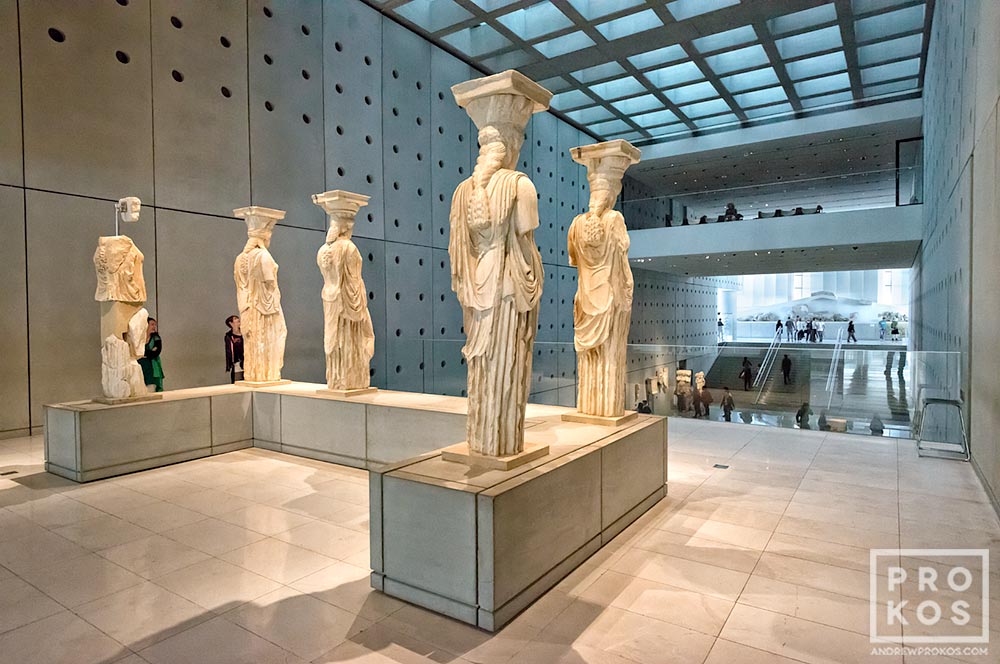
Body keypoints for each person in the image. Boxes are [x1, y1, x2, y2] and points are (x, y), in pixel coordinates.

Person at [137, 317, 163, 392]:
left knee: (151, 388)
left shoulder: (156, 338)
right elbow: (137, 351)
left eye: (155, 325)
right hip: (140, 364)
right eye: (152, 324)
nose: (154, 327)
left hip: (152, 366)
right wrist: (147, 351)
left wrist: (145, 353)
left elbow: (156, 352)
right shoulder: (139, 338)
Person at [225, 315, 244, 384]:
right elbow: (229, 351)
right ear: (231, 323)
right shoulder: (229, 336)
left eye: (238, 318)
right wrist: (229, 364)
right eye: (235, 319)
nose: (238, 319)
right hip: (237, 363)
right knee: (238, 382)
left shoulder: (244, 333)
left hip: (248, 361)